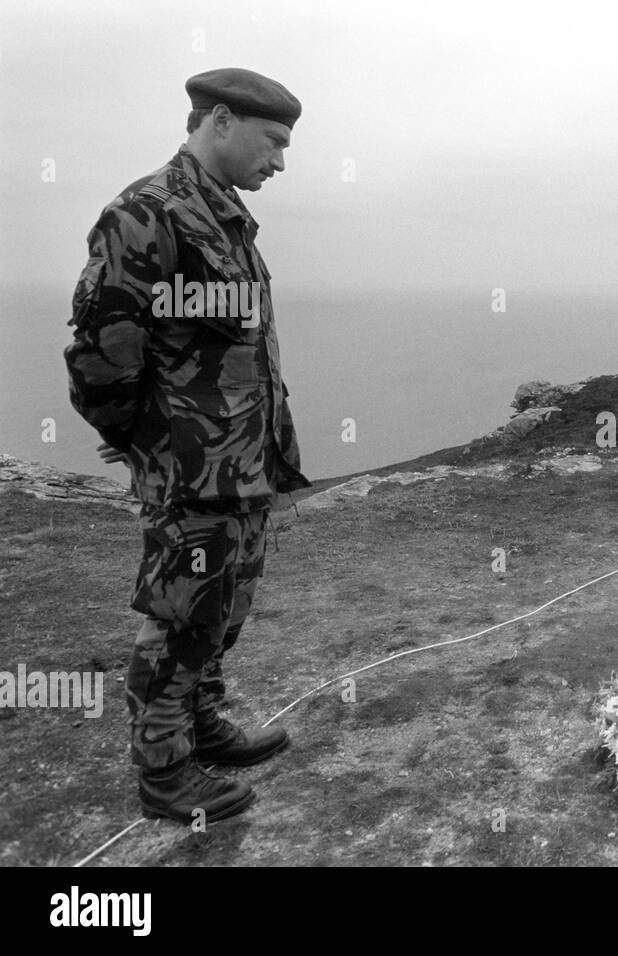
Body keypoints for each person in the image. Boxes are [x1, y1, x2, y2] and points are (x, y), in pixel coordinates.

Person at [65, 67, 311, 824]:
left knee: (222, 611)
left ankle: (199, 723)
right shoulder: (146, 213)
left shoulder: (226, 214)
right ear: (223, 122)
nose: (279, 162)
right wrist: (136, 438)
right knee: (180, 616)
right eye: (272, 143)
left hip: (242, 462)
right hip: (191, 470)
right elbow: (103, 348)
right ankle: (165, 773)